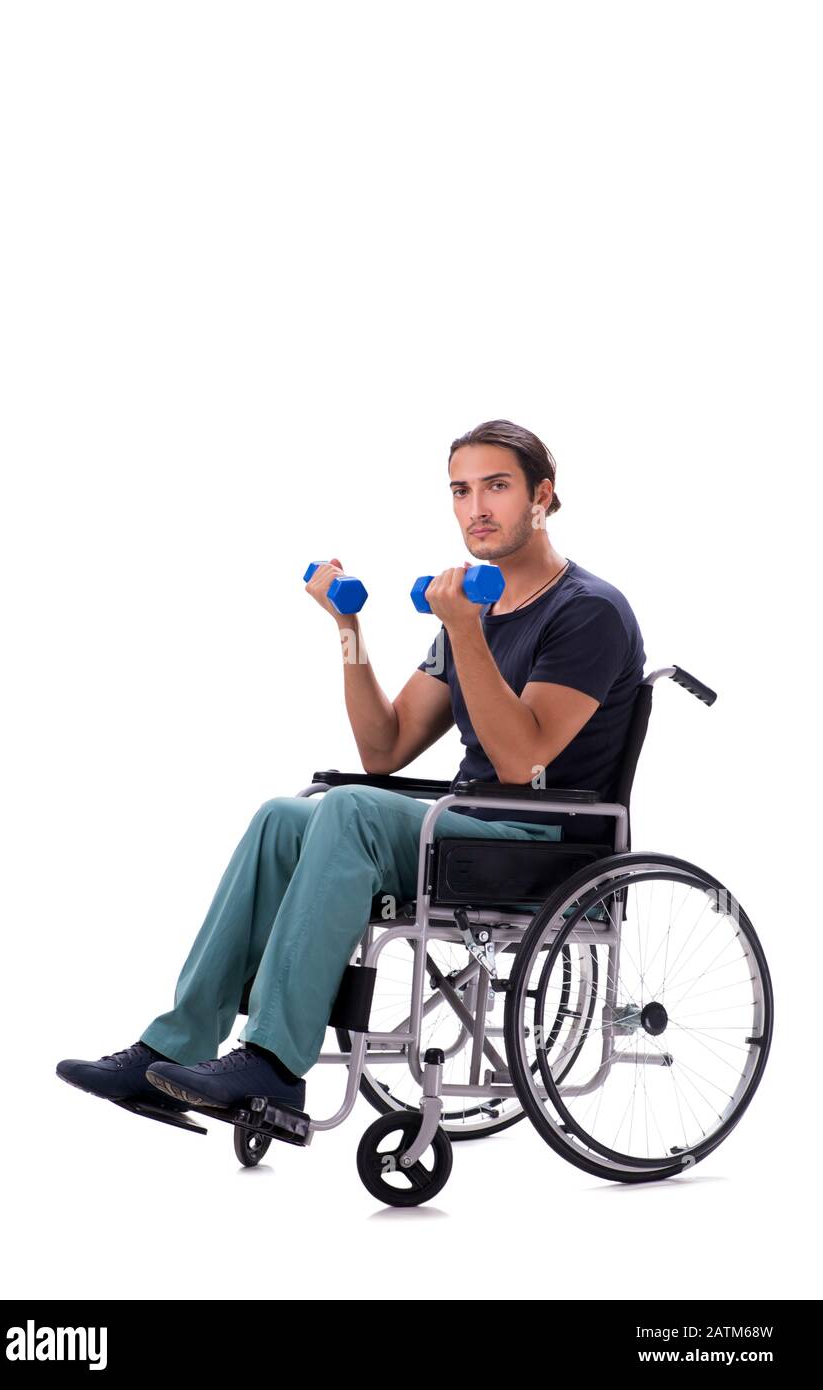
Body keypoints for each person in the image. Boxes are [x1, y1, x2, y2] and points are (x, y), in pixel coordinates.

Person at [56, 417, 646, 1120]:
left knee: (350, 808)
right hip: (459, 829)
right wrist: (349, 631)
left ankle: (273, 1061)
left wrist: (464, 629)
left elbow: (522, 763)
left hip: (543, 840)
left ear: (541, 496)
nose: (476, 509)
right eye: (460, 491)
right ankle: (177, 1044)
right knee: (283, 814)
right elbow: (385, 748)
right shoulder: (473, 616)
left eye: (496, 487)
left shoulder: (589, 613)